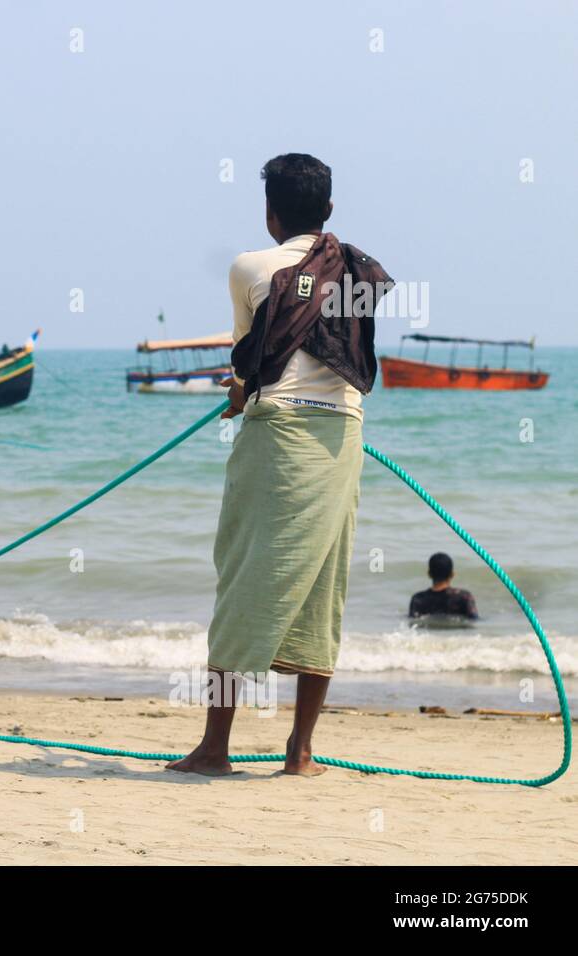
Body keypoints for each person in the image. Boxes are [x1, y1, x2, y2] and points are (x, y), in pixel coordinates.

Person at [166, 153, 391, 777]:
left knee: (241, 577)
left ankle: (215, 748)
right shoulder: (357, 271)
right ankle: (301, 752)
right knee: (325, 581)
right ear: (329, 211)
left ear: (271, 214)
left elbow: (250, 360)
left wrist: (239, 395)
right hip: (341, 437)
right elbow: (346, 357)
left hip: (277, 434)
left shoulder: (249, 267)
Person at [409, 552, 478, 620]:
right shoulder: (464, 597)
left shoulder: (418, 599)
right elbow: (474, 620)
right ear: (452, 574)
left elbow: (413, 623)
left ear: (429, 574)